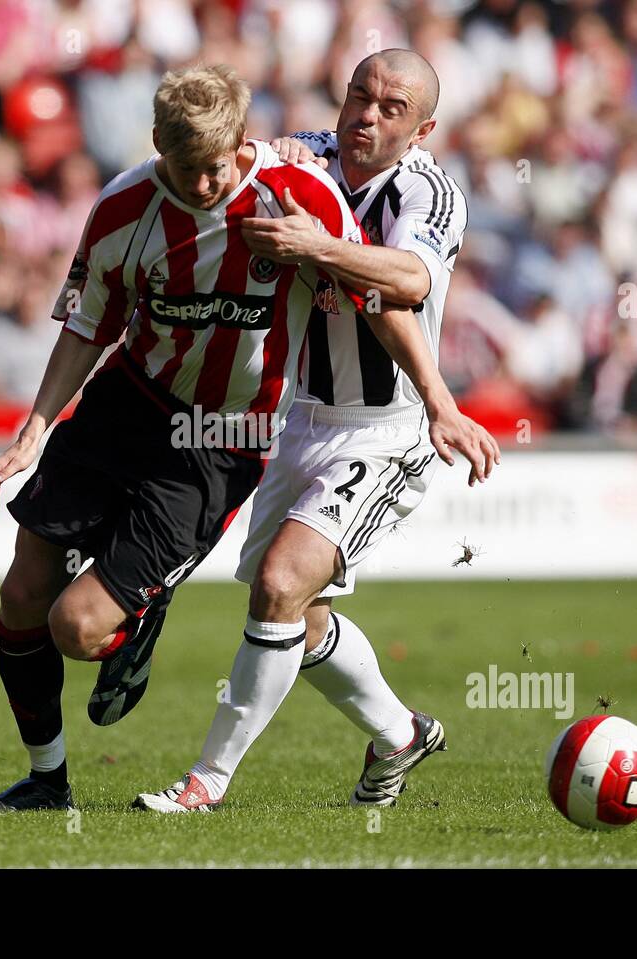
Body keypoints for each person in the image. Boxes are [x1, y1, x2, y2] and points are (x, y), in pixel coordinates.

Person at [0, 64, 466, 812]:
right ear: (158, 146)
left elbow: (395, 290)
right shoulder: (126, 207)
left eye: (218, 167)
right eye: (187, 169)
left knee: (93, 622)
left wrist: (438, 398)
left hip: (243, 435)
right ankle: (47, 780)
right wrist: (31, 434)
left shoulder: (312, 197)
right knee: (25, 588)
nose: (205, 187)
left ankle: (206, 770)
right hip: (132, 405)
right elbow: (86, 324)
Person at [135, 50, 499, 813]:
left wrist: (314, 247)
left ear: (423, 129)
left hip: (387, 427)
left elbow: (406, 280)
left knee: (278, 586)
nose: (368, 113)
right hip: (301, 421)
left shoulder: (429, 193)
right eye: (359, 96)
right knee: (299, 614)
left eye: (392, 106)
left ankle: (207, 782)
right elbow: (234, 159)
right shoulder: (308, 156)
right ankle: (400, 733)